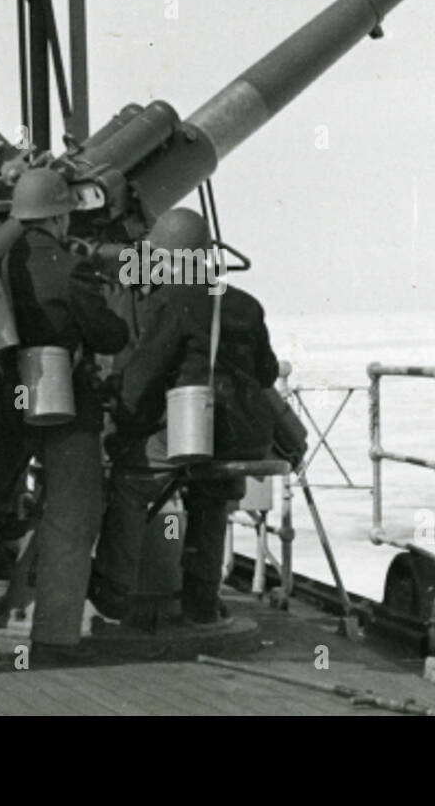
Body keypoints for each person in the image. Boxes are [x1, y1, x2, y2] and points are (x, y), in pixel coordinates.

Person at [91, 208, 280, 624]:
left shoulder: (172, 301)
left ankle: (112, 592)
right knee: (211, 499)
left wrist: (120, 424)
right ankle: (202, 602)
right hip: (239, 436)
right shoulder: (247, 305)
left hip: (192, 432)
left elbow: (144, 375)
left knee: (131, 483)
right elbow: (266, 372)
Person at [3, 168, 129, 666]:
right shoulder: (68, 268)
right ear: (58, 215)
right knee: (72, 516)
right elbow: (109, 337)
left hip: (11, 406)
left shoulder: (4, 263)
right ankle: (54, 637)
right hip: (65, 407)